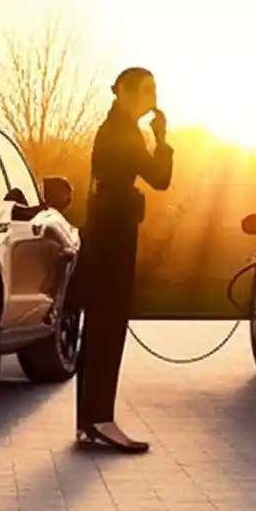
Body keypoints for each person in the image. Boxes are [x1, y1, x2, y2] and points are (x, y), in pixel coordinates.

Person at [73, 66, 173, 453]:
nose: (153, 96)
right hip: (112, 240)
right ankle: (99, 420)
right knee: (108, 325)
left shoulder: (114, 128)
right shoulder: (123, 133)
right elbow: (160, 177)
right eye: (147, 90)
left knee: (99, 326)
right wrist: (162, 140)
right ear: (127, 93)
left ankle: (90, 421)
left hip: (106, 236)